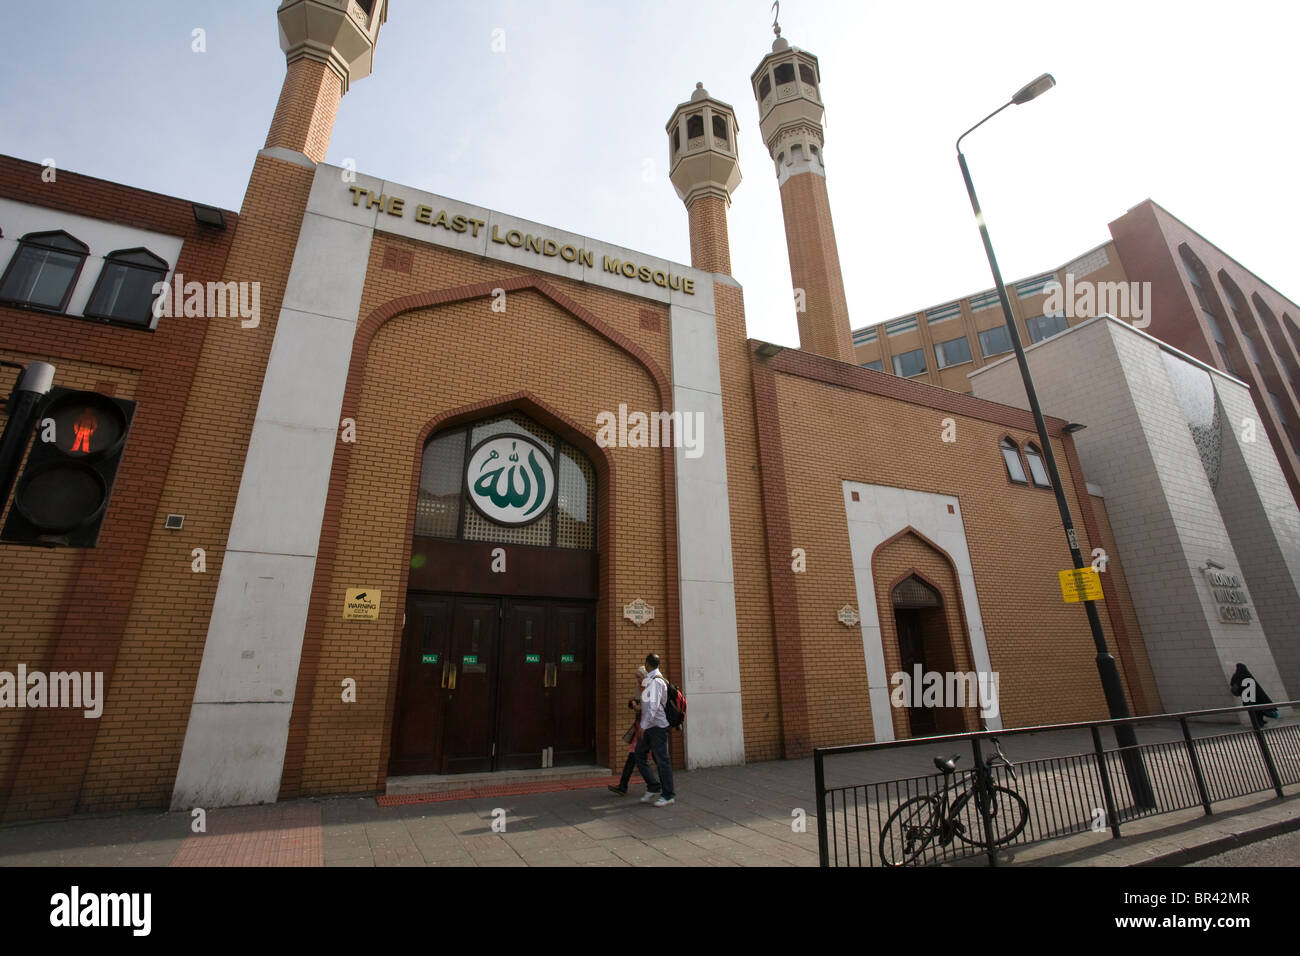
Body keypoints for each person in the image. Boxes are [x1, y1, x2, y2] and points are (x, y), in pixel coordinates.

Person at [609, 667, 659, 796]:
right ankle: (624, 785)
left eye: (639, 677)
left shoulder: (650, 688)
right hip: (640, 727)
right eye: (636, 677)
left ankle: (656, 784)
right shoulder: (639, 689)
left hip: (647, 728)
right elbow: (637, 702)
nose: (637, 679)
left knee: (647, 756)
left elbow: (651, 708)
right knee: (636, 756)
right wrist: (633, 704)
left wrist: (638, 707)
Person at [634, 652, 675, 807]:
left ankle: (668, 794)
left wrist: (643, 726)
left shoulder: (656, 682)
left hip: (657, 726)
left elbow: (653, 706)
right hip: (650, 725)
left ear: (647, 664)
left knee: (662, 760)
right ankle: (653, 785)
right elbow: (645, 704)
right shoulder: (649, 679)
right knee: (639, 754)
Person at [1229, 662, 1279, 727]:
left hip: (1246, 698)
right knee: (1259, 711)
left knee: (1252, 712)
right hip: (1255, 697)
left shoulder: (1236, 676)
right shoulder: (1248, 675)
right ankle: (1260, 722)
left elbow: (1232, 684)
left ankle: (1257, 723)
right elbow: (1256, 687)